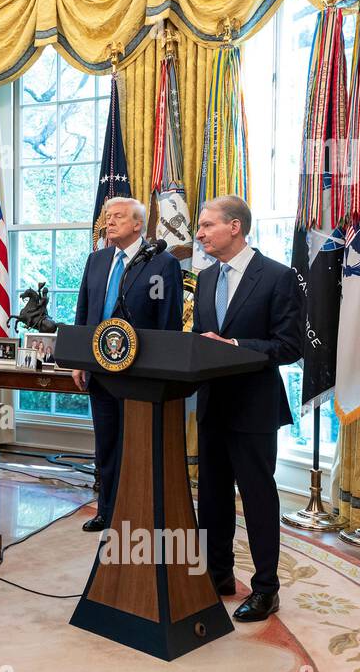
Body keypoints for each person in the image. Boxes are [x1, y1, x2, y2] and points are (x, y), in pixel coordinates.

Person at [192, 195, 303, 623]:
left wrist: (235, 346)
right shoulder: (203, 280)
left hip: (254, 407)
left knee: (257, 498)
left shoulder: (277, 277)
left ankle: (265, 589)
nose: (199, 234)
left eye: (206, 225)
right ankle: (217, 576)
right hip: (212, 404)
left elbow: (288, 346)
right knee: (213, 496)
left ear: (234, 227)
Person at [71, 197, 183, 531]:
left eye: (118, 216)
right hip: (100, 371)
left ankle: (138, 511)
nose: (110, 222)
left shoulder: (161, 264)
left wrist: (160, 371)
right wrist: (80, 360)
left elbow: (168, 322)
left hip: (141, 374)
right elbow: (84, 311)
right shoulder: (97, 260)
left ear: (138, 224)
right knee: (105, 443)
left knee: (138, 445)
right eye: (108, 216)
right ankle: (106, 509)